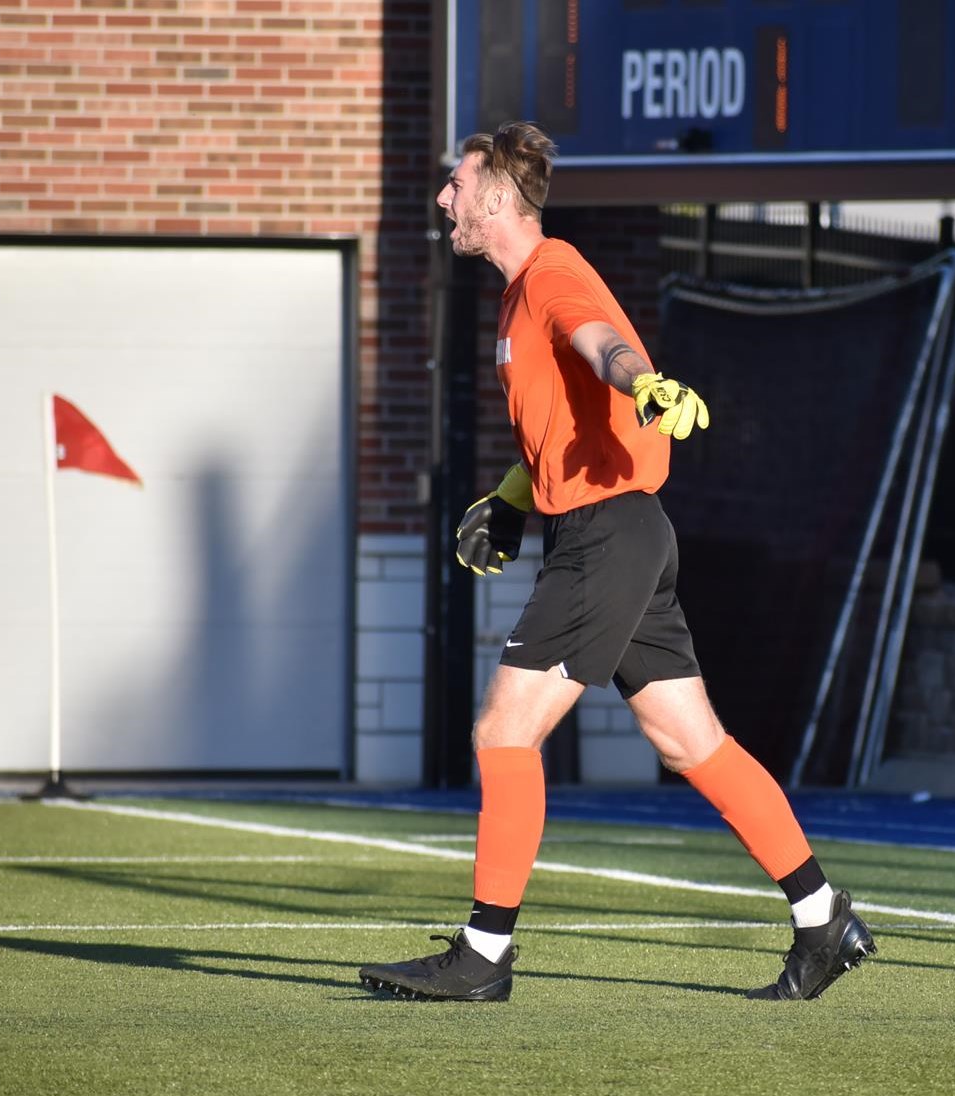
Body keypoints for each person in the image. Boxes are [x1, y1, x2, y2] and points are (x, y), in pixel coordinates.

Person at [358, 121, 874, 1003]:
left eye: (456, 183)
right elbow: (569, 419)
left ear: (493, 197)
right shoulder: (516, 295)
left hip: (607, 537)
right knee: (690, 741)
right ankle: (822, 915)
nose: (444, 198)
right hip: (619, 530)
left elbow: (603, 344)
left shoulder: (553, 273)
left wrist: (645, 384)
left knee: (502, 734)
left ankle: (483, 957)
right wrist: (518, 500)